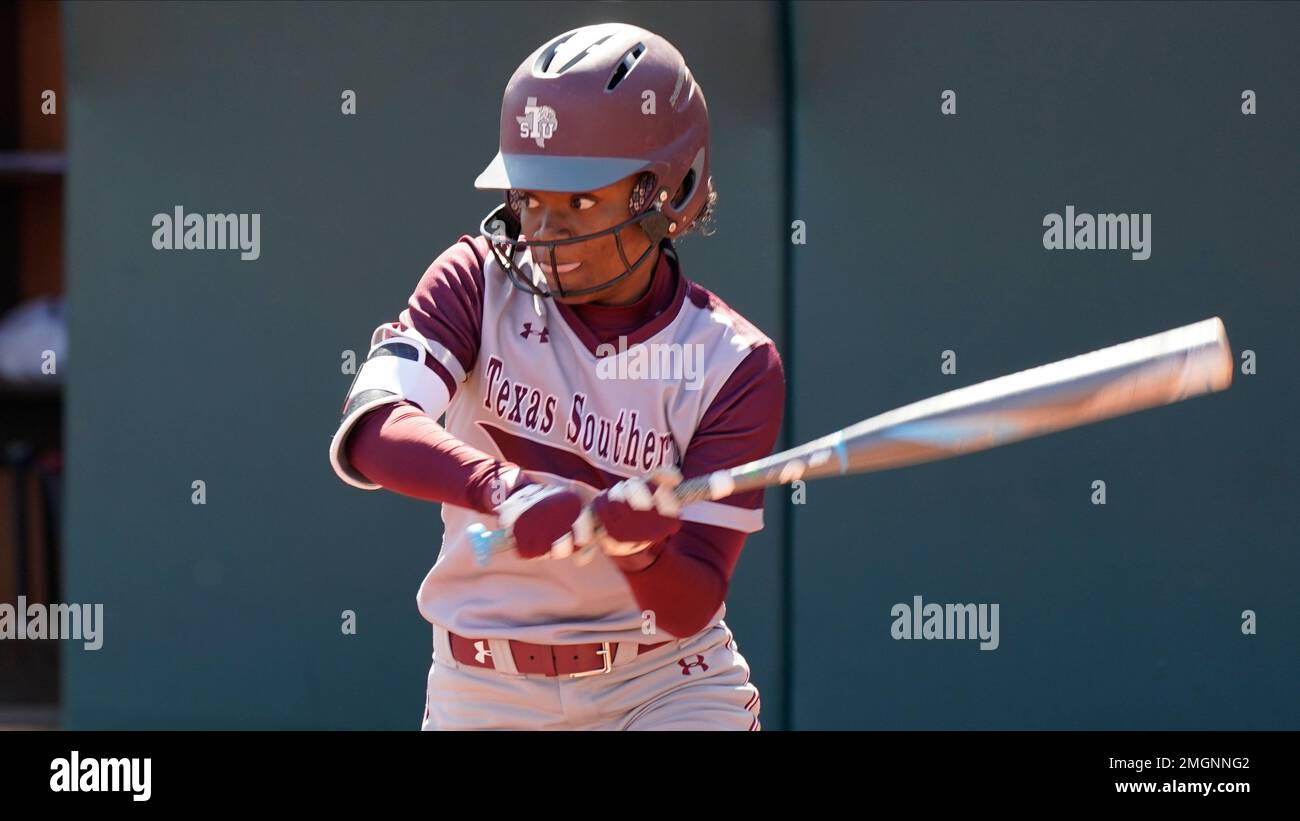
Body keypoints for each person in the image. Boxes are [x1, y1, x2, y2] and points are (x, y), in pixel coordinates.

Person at [329, 22, 784, 730]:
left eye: (578, 202)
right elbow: (374, 429)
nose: (543, 232)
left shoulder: (733, 363)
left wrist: (638, 550)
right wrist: (505, 488)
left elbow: (690, 601)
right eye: (530, 198)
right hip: (482, 687)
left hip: (661, 682)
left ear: (667, 192)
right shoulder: (477, 281)